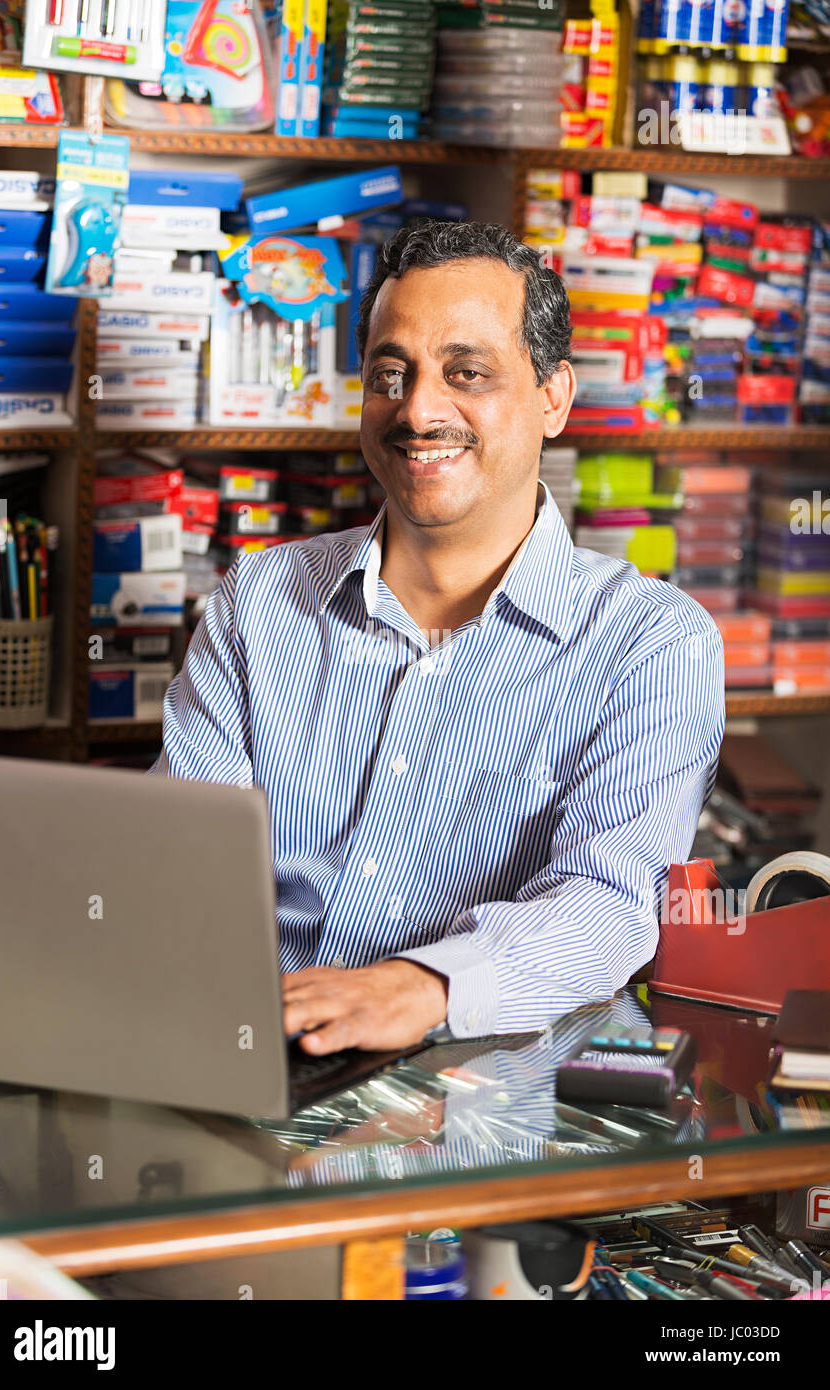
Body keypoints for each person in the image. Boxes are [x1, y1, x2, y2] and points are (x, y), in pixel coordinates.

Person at [153, 220, 725, 1056]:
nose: (419, 410)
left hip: (477, 1103)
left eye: (468, 373)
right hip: (241, 1064)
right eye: (393, 373)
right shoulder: (260, 600)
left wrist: (426, 988)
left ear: (553, 398)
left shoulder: (652, 644)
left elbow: (608, 906)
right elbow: (178, 865)